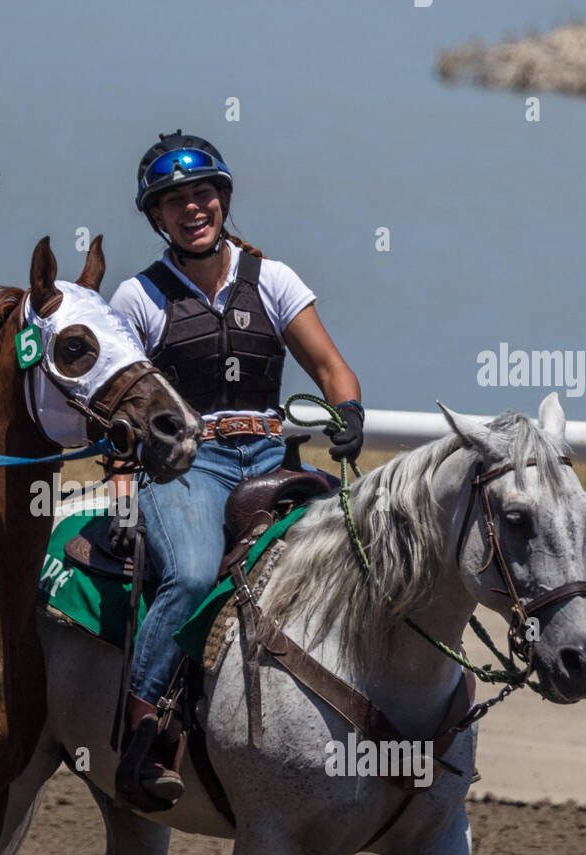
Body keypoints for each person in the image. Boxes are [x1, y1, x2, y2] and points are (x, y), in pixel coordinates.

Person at [108, 130, 365, 809]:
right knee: (192, 574)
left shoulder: (273, 280)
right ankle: (144, 735)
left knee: (366, 553)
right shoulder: (136, 299)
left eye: (203, 194)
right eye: (174, 201)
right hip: (189, 469)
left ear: (222, 200)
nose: (193, 208)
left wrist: (348, 413)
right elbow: (110, 403)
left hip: (274, 461)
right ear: (156, 216)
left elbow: (332, 369)